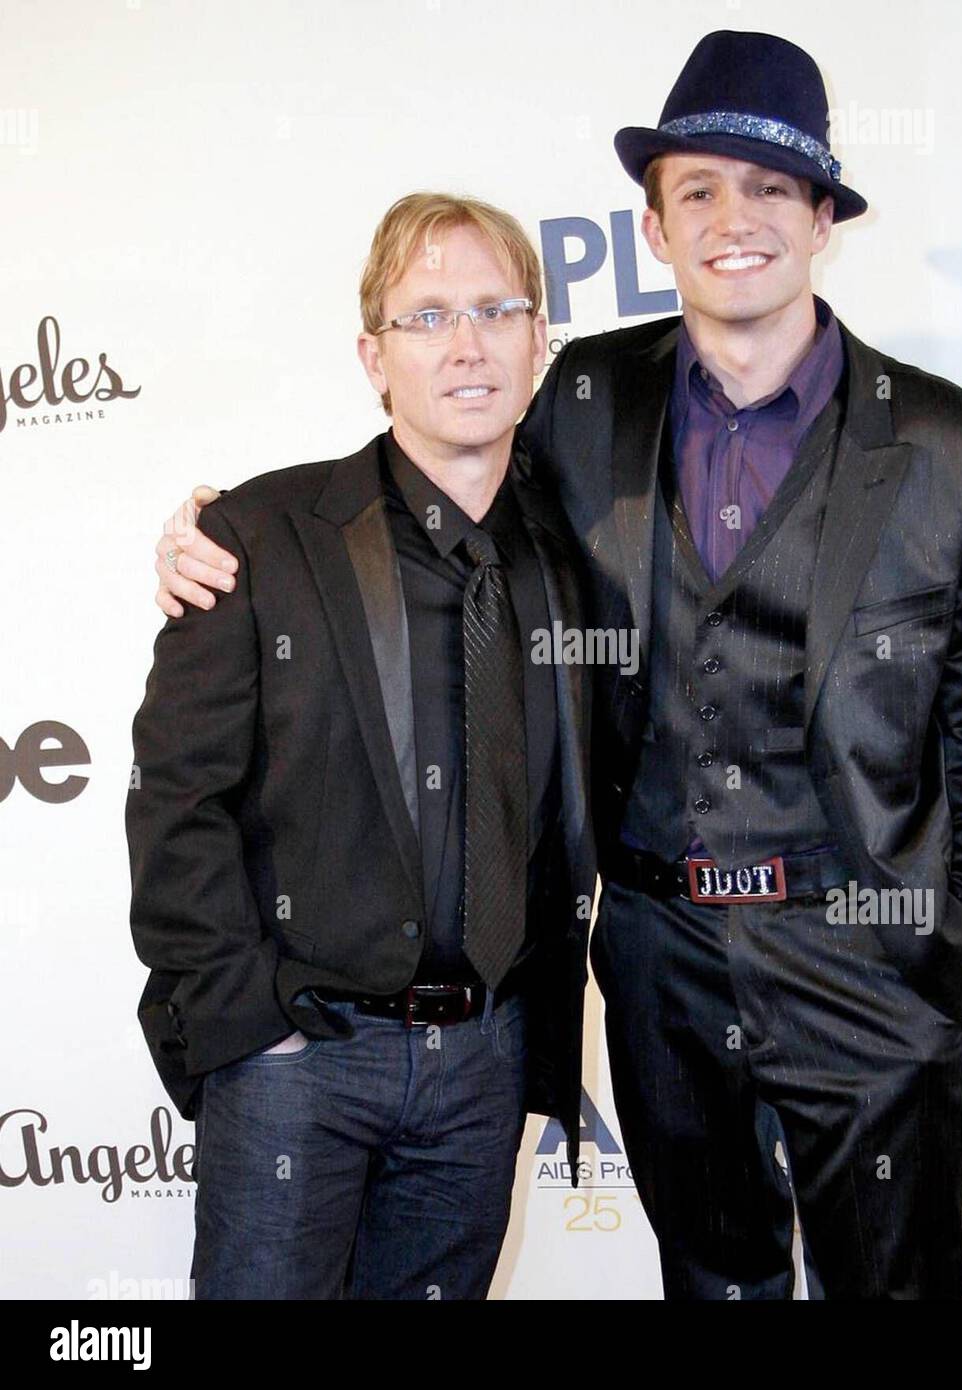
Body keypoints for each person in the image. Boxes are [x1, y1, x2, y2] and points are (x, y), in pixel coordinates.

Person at [150, 31, 962, 1299]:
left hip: (868, 958)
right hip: (658, 955)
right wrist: (216, 522)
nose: (732, 220)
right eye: (697, 191)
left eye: (770, 189)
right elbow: (423, 498)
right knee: (711, 1282)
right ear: (652, 227)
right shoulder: (578, 399)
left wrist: (947, 950)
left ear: (824, 217)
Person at [126, 192, 595, 1299]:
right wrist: (250, 1032)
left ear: (539, 341)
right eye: (426, 316)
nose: (467, 343)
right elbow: (173, 803)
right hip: (300, 1060)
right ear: (372, 356)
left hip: (482, 1064)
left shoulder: (573, 555)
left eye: (496, 309)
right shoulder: (258, 534)